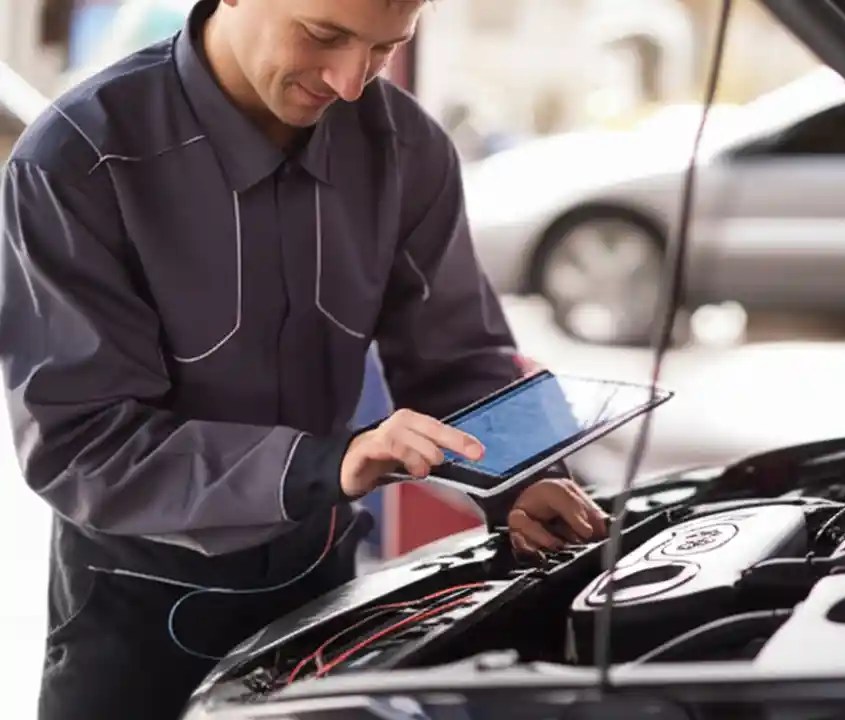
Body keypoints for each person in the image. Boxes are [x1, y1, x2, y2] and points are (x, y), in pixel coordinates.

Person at [0, 1, 609, 718]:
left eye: (386, 48)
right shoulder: (76, 161)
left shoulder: (405, 147)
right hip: (137, 624)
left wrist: (524, 474)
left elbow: (461, 357)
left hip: (328, 603)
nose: (351, 82)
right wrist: (329, 462)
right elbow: (84, 444)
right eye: (324, 36)